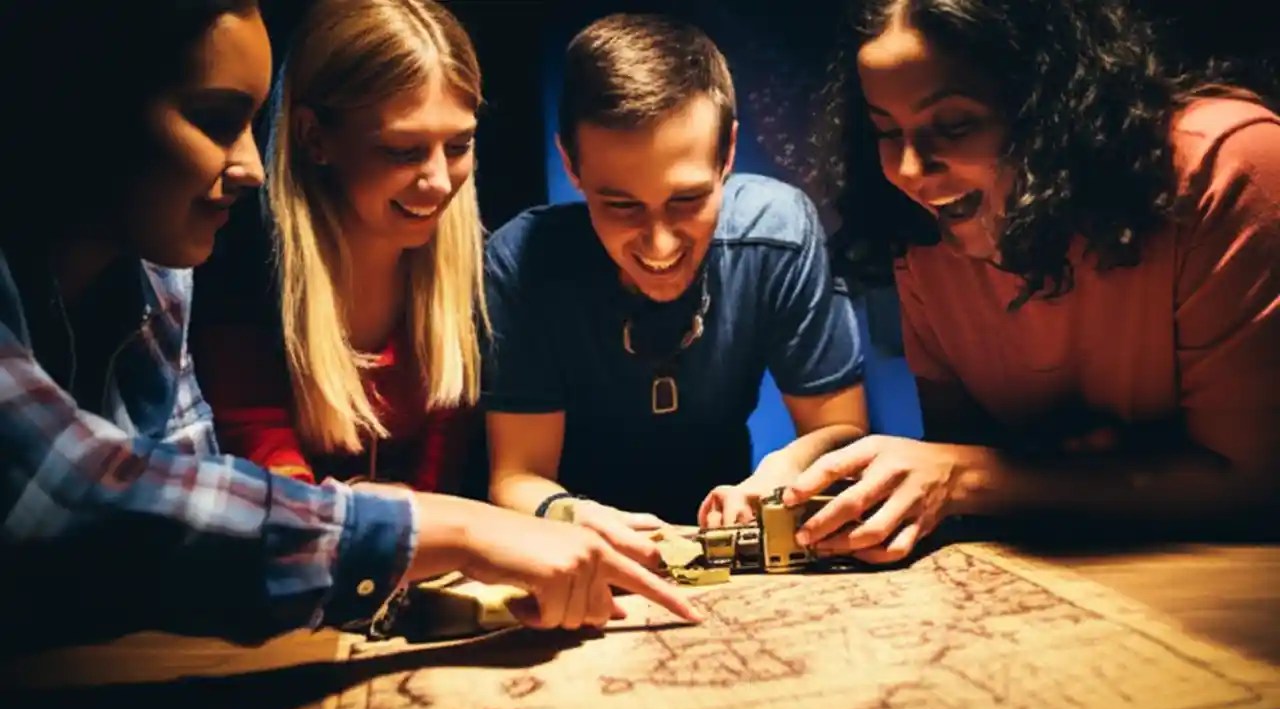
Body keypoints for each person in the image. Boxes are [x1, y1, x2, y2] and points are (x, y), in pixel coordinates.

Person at [0, 0, 697, 654]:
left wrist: (534, 520)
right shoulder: (230, 265)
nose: (246, 166)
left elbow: (186, 489)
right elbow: (107, 500)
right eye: (402, 150)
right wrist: (450, 527)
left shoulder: (163, 278)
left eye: (459, 146)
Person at [762, 0, 1280, 564]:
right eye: (885, 131)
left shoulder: (1227, 169)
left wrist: (973, 477)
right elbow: (961, 470)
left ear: (1055, 107)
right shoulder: (925, 235)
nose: (910, 170)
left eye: (955, 124)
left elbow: (1257, 485)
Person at [482, 13, 868, 565]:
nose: (659, 246)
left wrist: (784, 473)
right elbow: (517, 476)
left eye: (686, 201)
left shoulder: (778, 235)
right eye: (621, 206)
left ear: (727, 154)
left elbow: (843, 431)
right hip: (572, 558)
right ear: (570, 161)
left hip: (729, 553)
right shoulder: (521, 263)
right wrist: (573, 514)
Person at [192, 0, 485, 497]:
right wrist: (377, 525)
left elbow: (444, 476)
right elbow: (264, 471)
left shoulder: (469, 265)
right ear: (313, 137)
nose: (438, 181)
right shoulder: (245, 265)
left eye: (458, 146)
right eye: (403, 150)